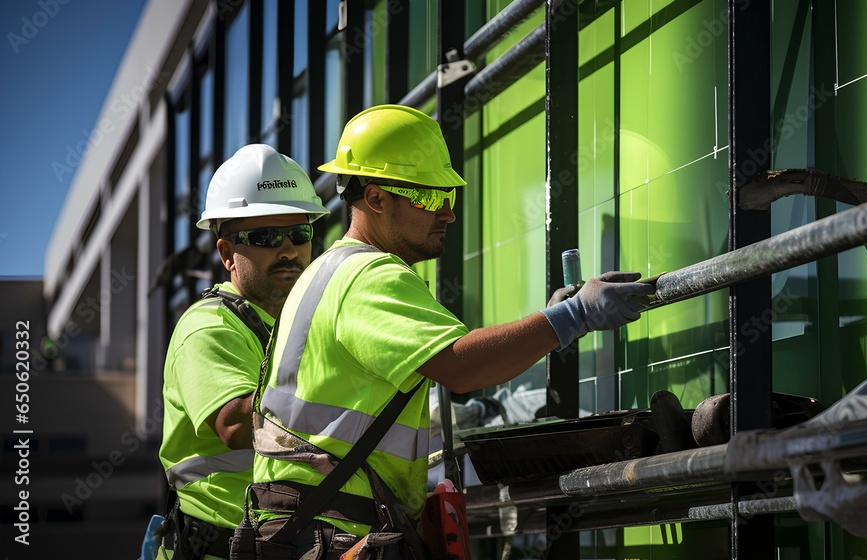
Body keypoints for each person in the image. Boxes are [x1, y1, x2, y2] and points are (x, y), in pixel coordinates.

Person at [248, 105, 654, 557]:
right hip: (332, 528)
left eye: (449, 196)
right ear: (377, 198)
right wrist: (574, 316)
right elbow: (462, 365)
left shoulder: (327, 271)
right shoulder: (369, 276)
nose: (447, 213)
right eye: (427, 198)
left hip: (311, 527)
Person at [158, 144, 329, 559]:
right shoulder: (208, 327)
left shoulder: (302, 321)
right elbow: (237, 425)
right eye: (266, 237)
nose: (288, 249)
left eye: (299, 233)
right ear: (227, 254)